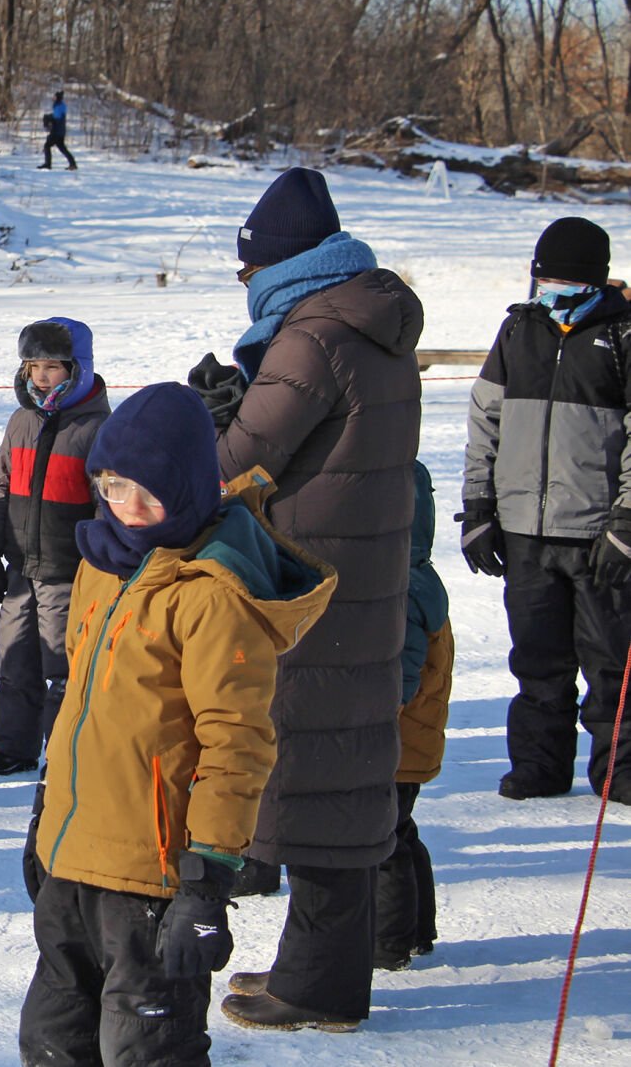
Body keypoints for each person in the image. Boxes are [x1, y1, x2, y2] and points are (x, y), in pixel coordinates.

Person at [19, 383, 336, 1067]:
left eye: (146, 491)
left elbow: (236, 743)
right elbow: (82, 708)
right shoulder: (100, 566)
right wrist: (48, 812)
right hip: (74, 858)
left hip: (154, 875)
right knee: (52, 1040)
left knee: (147, 1048)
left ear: (187, 489)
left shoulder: (210, 596)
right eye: (111, 486)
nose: (125, 506)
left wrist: (207, 879)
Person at [196, 166, 423, 1033]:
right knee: (341, 768)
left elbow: (237, 464)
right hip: (359, 574)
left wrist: (209, 419)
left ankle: (320, 987)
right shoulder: (368, 321)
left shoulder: (311, 337)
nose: (245, 282)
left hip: (313, 579)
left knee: (315, 774)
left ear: (282, 264)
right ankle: (317, 967)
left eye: (247, 268)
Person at [460, 216, 631, 803]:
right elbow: (485, 421)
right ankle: (539, 766)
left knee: (611, 664)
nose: (549, 289)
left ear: (592, 281)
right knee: (537, 661)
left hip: (597, 533)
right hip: (525, 531)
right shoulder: (519, 330)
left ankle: (618, 770)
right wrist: (479, 507)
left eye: (562, 281)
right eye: (544, 279)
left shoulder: (622, 335)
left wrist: (626, 522)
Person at [0, 318, 108, 776]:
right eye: (33, 367)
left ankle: (64, 756)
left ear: (77, 368)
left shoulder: (97, 428)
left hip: (68, 572)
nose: (42, 377)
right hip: (19, 570)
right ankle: (14, 748)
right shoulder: (21, 421)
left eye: (52, 367)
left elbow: (106, 506)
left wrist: (100, 564)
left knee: (63, 666)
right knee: (13, 660)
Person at [376, 459, 453, 969]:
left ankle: (388, 941)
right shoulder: (422, 577)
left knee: (382, 842)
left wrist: (373, 726)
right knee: (401, 830)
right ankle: (418, 929)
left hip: (396, 741)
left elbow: (398, 680)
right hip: (413, 741)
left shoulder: (400, 591)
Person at [38, 91, 77, 171]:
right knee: (62, 148)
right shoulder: (62, 105)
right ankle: (73, 164)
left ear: (57, 98)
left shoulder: (58, 106)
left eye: (54, 97)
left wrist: (48, 118)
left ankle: (47, 164)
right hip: (61, 131)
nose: (53, 98)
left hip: (56, 131)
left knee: (47, 146)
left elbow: (57, 117)